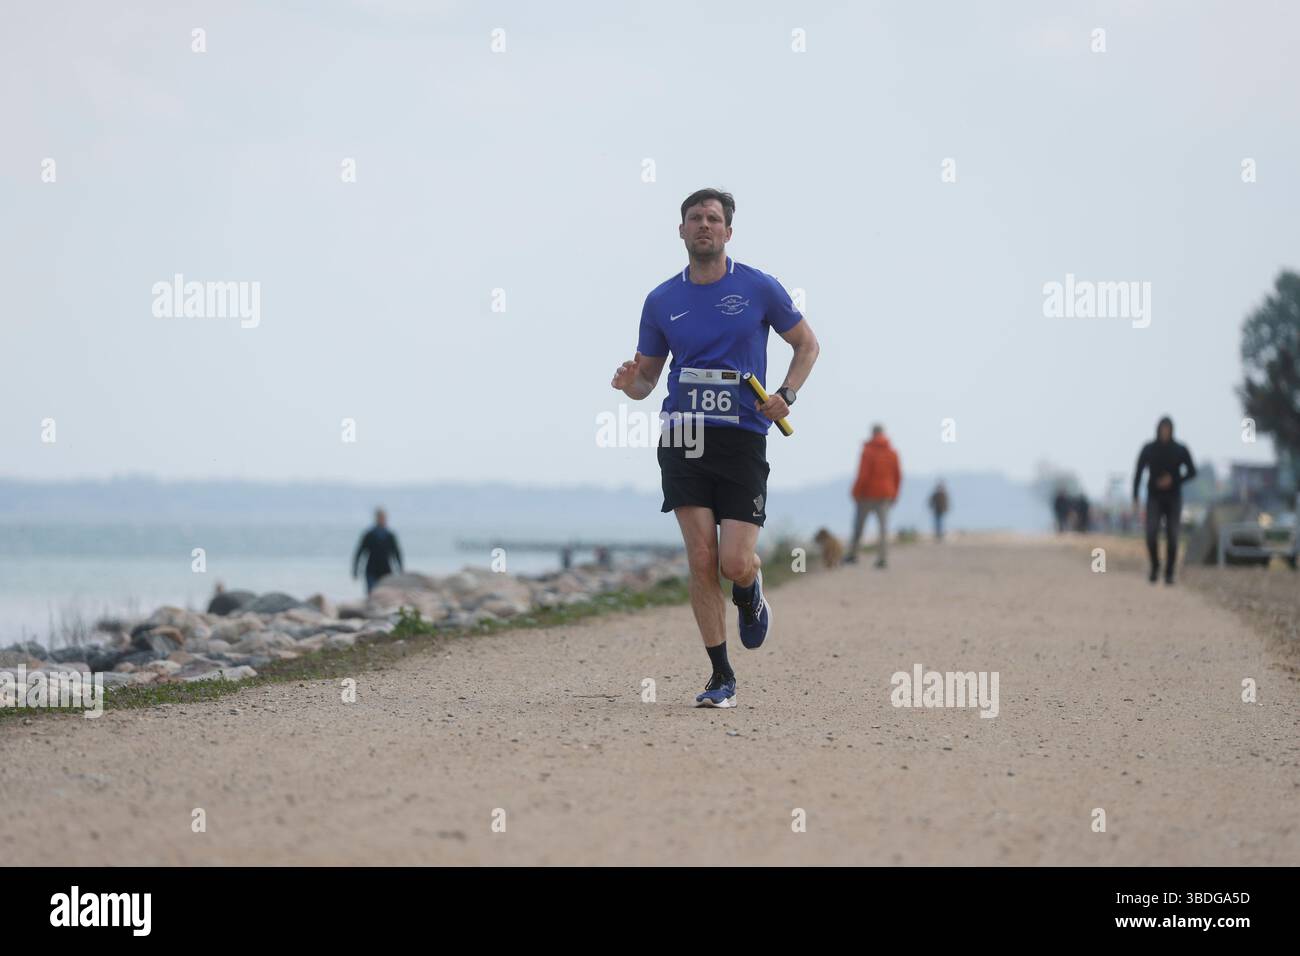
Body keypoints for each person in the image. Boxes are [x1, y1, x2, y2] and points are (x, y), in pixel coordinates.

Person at [610, 188, 819, 709]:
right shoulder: (661, 300)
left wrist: (786, 394)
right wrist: (628, 384)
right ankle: (720, 676)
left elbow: (807, 344)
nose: (704, 225)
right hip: (683, 433)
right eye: (694, 218)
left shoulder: (759, 287)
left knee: (732, 562)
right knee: (701, 557)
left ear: (728, 231)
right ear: (681, 231)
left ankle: (750, 592)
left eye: (713, 218)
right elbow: (648, 382)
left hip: (743, 435)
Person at [1132, 416, 1197, 584]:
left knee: (1173, 535)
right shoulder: (1149, 449)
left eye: (1168, 429)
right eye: (1162, 429)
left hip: (1174, 497)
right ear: (1158, 430)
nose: (1165, 432)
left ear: (1172, 430)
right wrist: (1135, 497)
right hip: (1154, 497)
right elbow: (1138, 473)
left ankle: (1169, 572)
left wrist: (1174, 480)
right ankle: (1155, 566)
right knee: (1151, 533)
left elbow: (1192, 471)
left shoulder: (1180, 449)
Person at [847, 424, 901, 567]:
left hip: (867, 495)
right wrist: (894, 494)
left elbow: (863, 475)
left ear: (872, 433)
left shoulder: (868, 451)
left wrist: (856, 492)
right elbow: (897, 476)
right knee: (883, 528)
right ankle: (882, 558)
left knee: (859, 527)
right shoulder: (892, 453)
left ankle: (853, 555)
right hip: (885, 495)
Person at [352, 508, 404, 594]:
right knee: (371, 595)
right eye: (380, 517)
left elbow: (396, 554)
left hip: (386, 571)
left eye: (383, 517)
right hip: (371, 571)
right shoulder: (369, 535)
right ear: (376, 518)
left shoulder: (390, 535)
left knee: (386, 596)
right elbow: (360, 552)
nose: (382, 519)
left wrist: (400, 570)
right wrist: (355, 570)